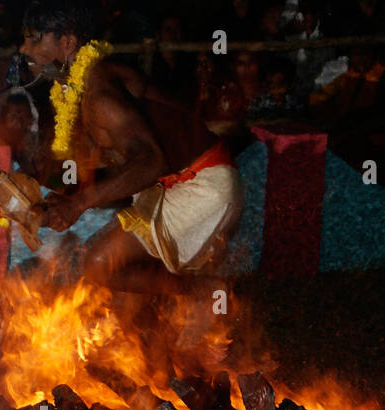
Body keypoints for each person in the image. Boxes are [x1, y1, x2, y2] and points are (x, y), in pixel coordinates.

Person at [19, 0, 242, 295]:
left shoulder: (100, 96)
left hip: (202, 184)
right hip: (178, 182)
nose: (24, 49)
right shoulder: (86, 83)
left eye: (35, 38)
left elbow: (151, 161)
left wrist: (78, 204)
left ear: (68, 42)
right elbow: (116, 169)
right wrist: (52, 201)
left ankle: (205, 292)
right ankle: (185, 308)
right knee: (120, 293)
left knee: (98, 264)